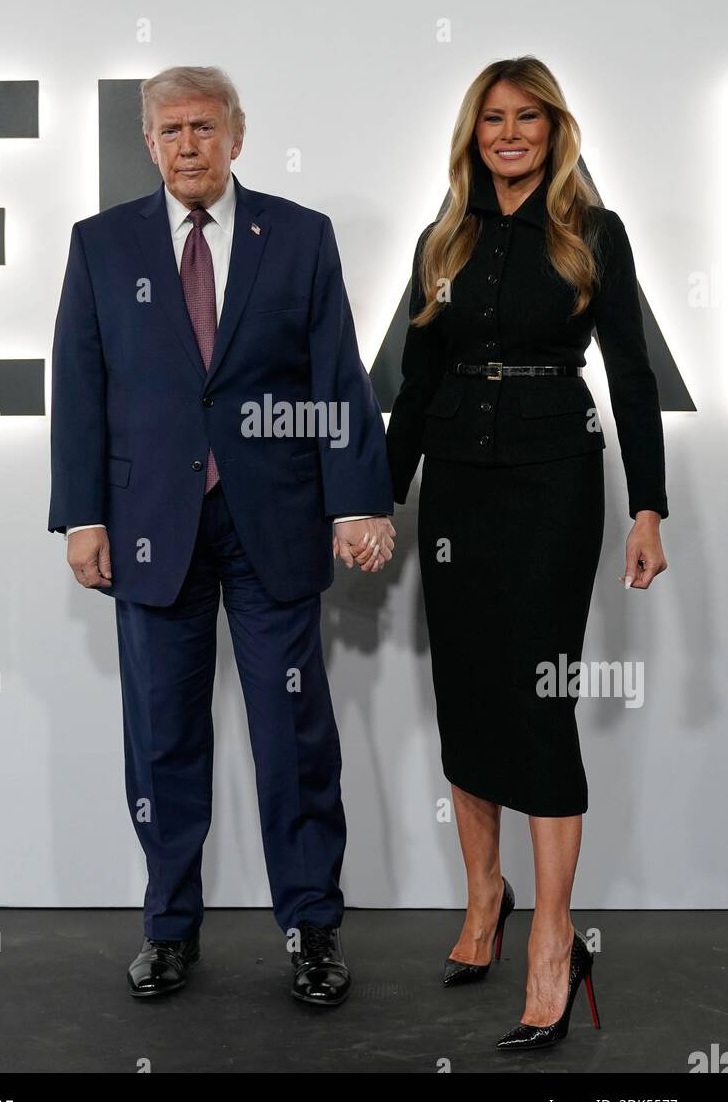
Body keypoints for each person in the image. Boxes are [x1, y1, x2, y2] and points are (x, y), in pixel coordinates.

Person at [48, 66, 395, 1006]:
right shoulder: (101, 244)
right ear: (149, 143)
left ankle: (312, 928)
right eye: (169, 130)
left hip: (272, 523)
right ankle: (168, 930)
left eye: (205, 126)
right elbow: (81, 390)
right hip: (148, 526)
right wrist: (82, 515)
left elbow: (335, 375)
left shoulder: (299, 235)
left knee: (294, 731)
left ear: (238, 136)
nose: (188, 144)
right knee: (162, 735)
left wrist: (356, 499)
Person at [386, 55, 668, 1050]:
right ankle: (483, 899)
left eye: (527, 118)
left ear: (553, 129)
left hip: (553, 479)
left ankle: (553, 936)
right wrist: (381, 496)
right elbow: (415, 384)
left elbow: (629, 371)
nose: (508, 132)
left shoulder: (592, 231)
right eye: (492, 118)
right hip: (456, 479)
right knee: (464, 688)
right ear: (472, 132)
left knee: (537, 696)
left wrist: (648, 508)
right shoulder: (441, 238)